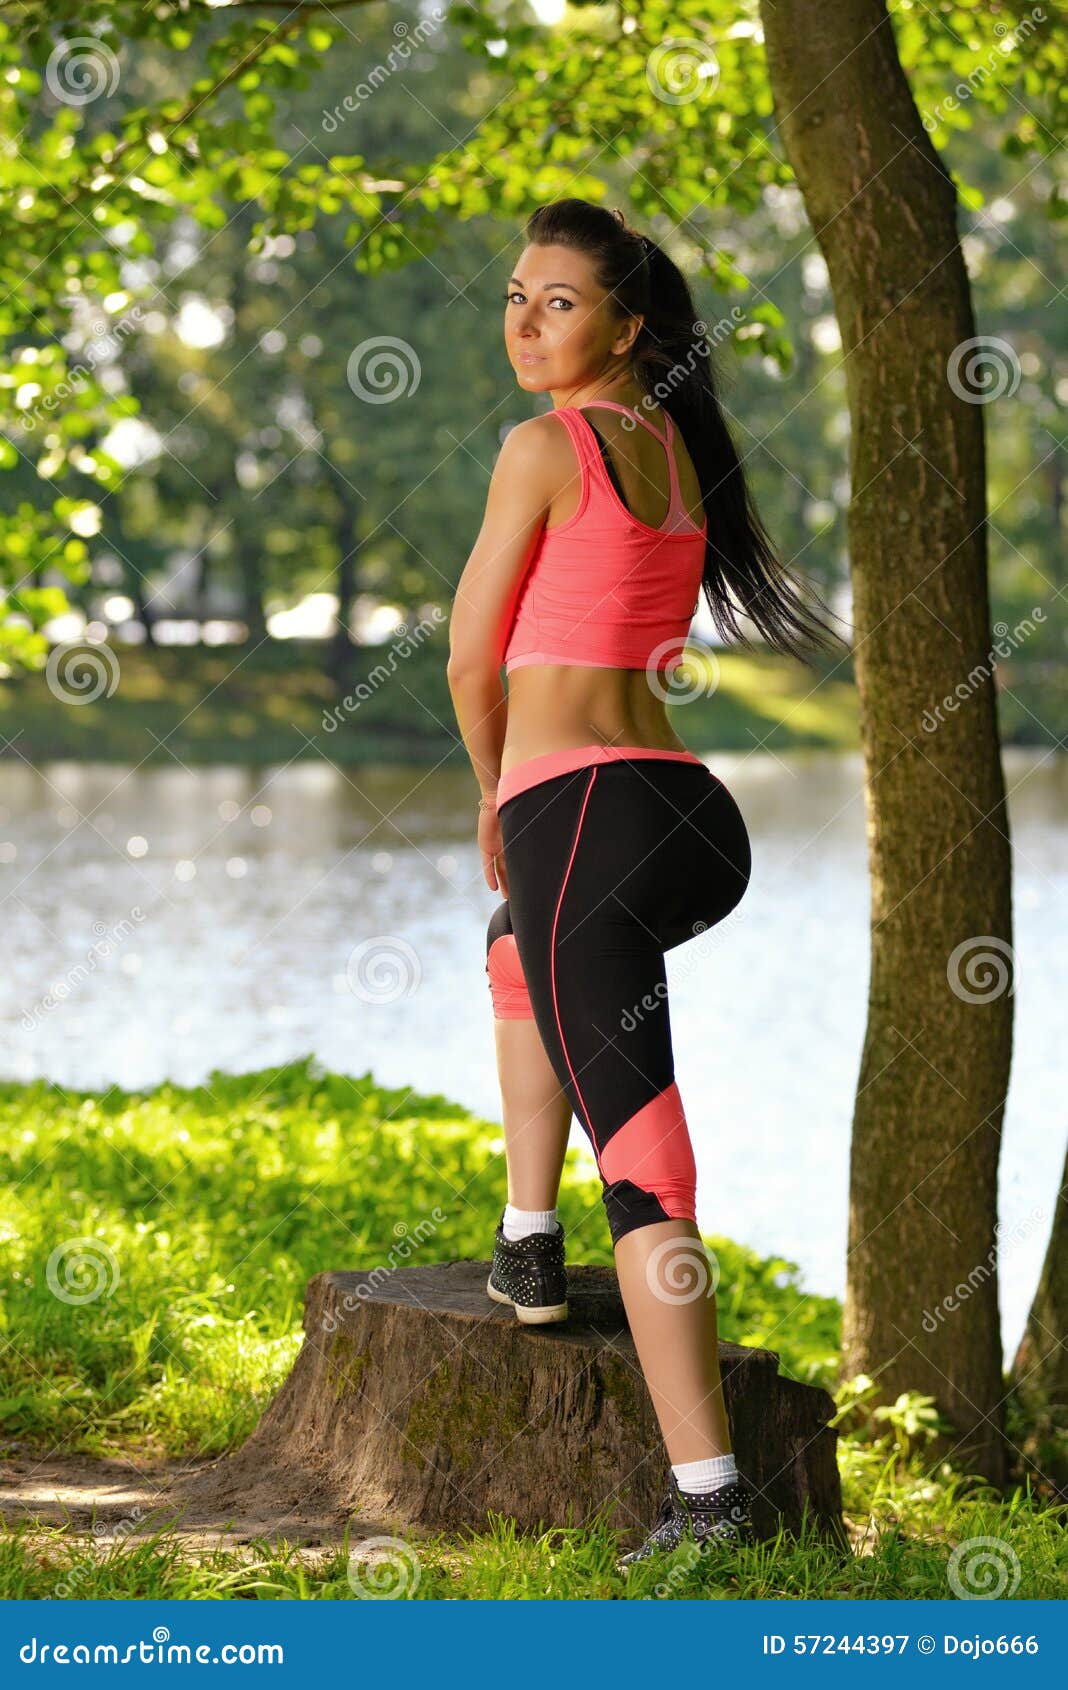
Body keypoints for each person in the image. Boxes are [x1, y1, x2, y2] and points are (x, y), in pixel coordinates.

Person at [446, 197, 840, 1568]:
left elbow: (468, 655)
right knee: (522, 954)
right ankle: (527, 1242)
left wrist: (498, 800)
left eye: (557, 301)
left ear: (624, 325)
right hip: (685, 815)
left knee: (648, 1161)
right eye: (513, 296)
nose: (524, 321)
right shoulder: (671, 449)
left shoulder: (542, 448)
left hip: (588, 809)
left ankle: (711, 1497)